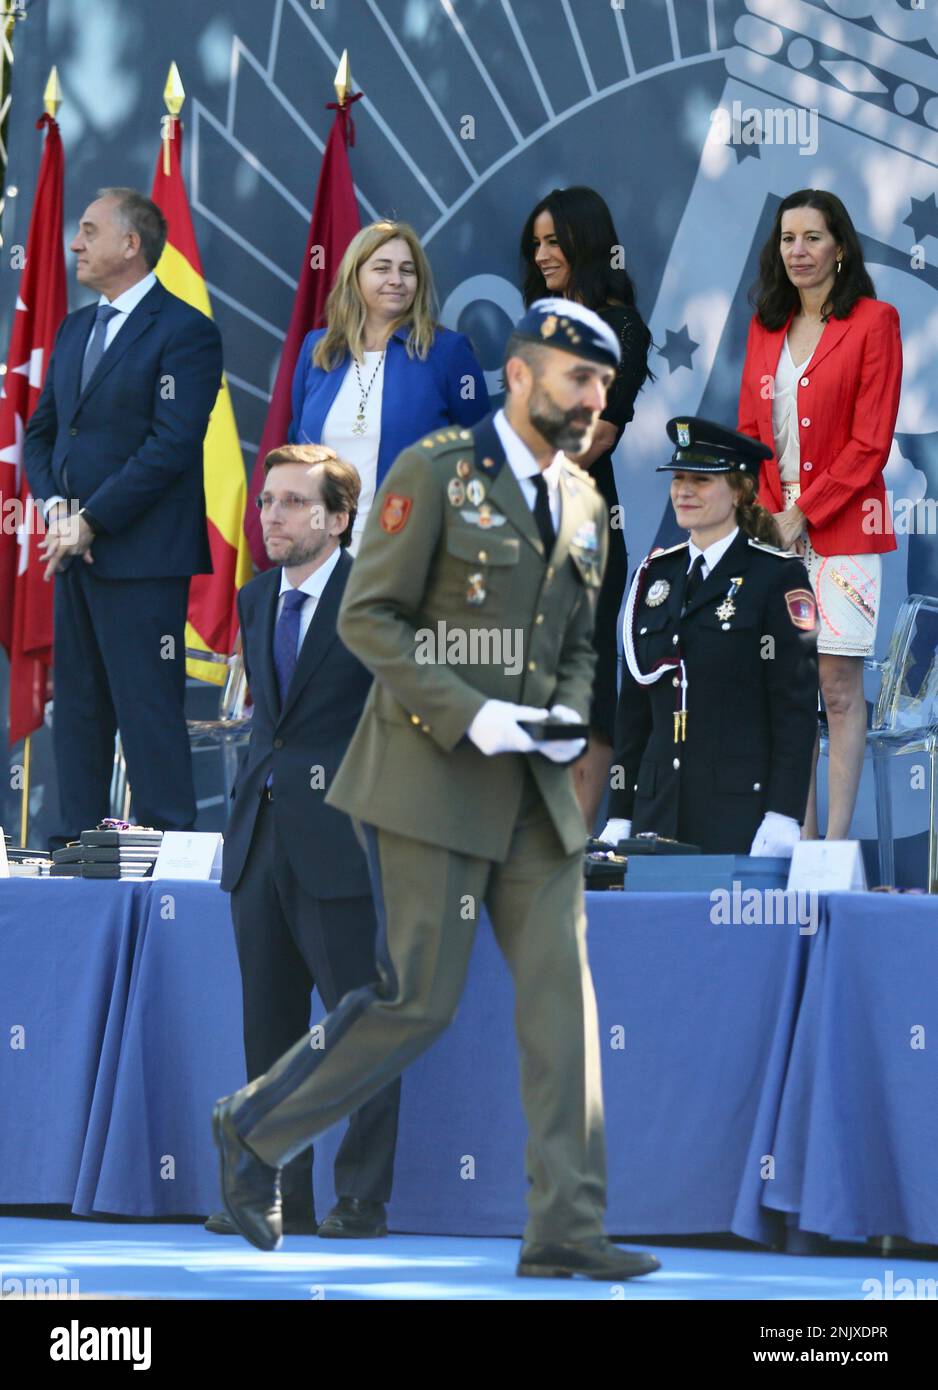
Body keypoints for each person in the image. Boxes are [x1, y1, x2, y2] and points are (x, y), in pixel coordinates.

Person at [211, 299, 660, 1282]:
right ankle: (255, 1128)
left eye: (602, 384)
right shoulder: (435, 472)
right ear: (518, 374)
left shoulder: (583, 502)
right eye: (575, 378)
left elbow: (579, 644)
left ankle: (564, 1229)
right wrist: (474, 714)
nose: (592, 399)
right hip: (427, 780)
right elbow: (369, 618)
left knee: (560, 1003)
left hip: (534, 796)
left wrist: (564, 722)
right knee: (416, 1003)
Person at [204, 445, 400, 1242]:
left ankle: (361, 1200)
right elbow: (269, 727)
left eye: (290, 503)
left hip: (345, 844)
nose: (270, 518)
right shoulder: (255, 600)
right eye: (266, 503)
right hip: (260, 842)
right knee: (270, 1028)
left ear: (338, 518)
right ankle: (279, 1193)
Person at [23, 188, 222, 848]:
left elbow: (171, 444)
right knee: (77, 707)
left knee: (146, 709)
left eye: (88, 231)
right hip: (71, 551)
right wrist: (58, 510)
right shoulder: (75, 328)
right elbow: (44, 432)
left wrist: (94, 521)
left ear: (130, 244)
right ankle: (77, 848)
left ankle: (169, 849)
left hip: (141, 559)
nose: (74, 245)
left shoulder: (187, 332)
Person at [737, 188, 902, 840]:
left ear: (839, 246)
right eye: (787, 239)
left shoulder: (874, 320)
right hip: (773, 526)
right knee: (788, 689)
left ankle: (835, 850)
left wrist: (803, 514)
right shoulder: (765, 327)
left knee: (836, 686)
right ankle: (799, 843)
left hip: (842, 525)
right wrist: (761, 514)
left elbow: (871, 442)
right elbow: (751, 434)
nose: (798, 251)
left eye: (812, 237)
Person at [600, 418, 819, 856]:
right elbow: (634, 711)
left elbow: (795, 710)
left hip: (738, 819)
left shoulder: (777, 577)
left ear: (738, 491)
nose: (683, 490)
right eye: (678, 477)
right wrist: (620, 812)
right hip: (655, 819)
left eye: (701, 480)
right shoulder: (655, 577)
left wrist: (783, 813)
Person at [520, 187, 653, 830]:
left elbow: (597, 434)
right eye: (537, 243)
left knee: (587, 688)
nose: (544, 254)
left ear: (586, 241)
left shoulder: (620, 325)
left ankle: (571, 840)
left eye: (555, 241)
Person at [288, 220, 490, 553]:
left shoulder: (447, 352)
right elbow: (297, 444)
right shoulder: (317, 349)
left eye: (407, 271)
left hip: (410, 554)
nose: (396, 280)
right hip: (322, 553)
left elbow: (482, 455)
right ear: (356, 276)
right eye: (382, 268)